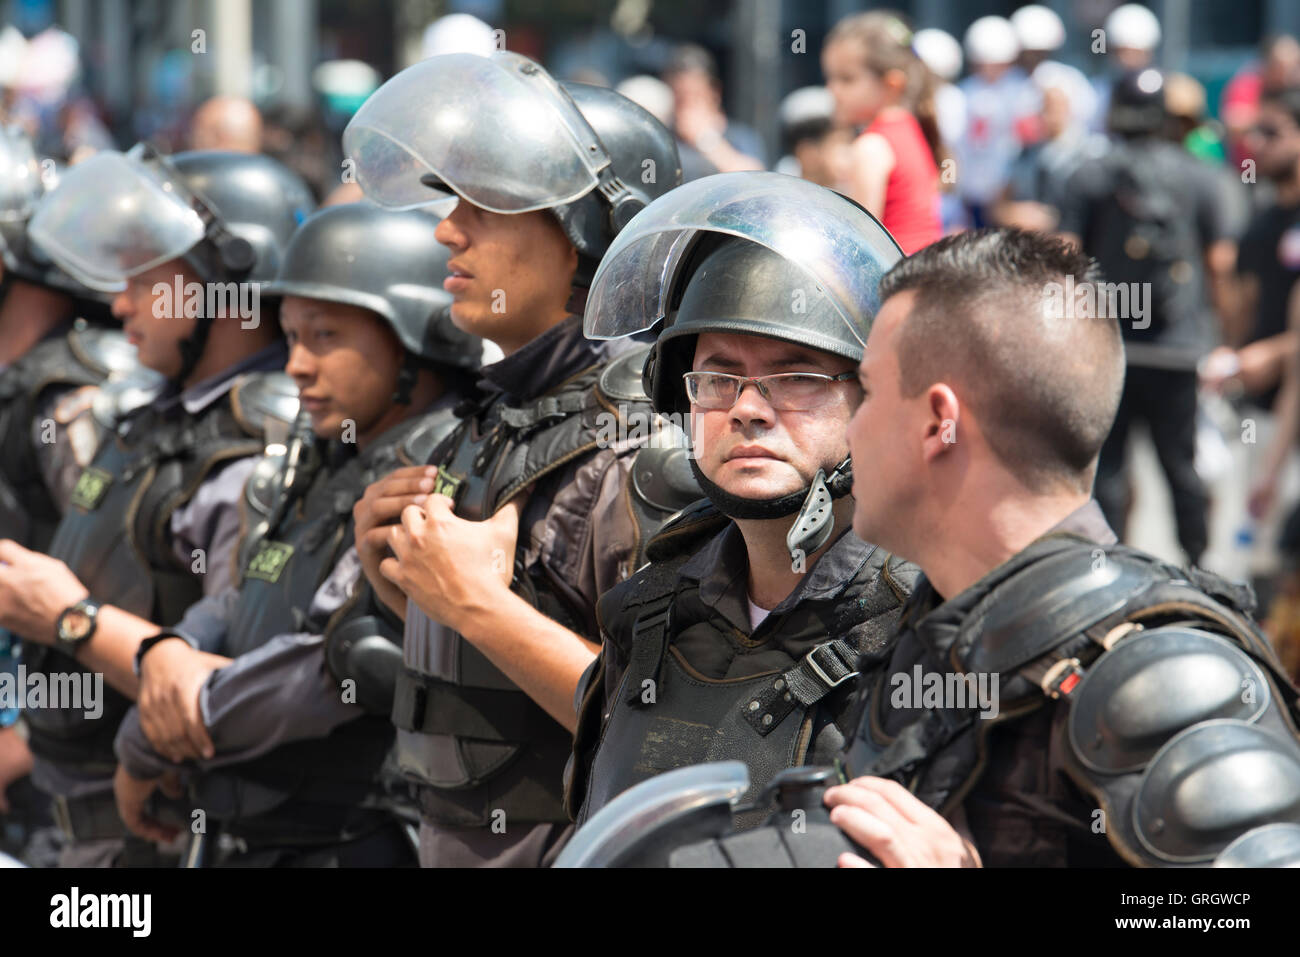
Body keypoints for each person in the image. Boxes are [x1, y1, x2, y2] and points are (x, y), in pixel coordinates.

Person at [568, 228, 1300, 869]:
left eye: (872, 391)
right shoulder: (932, 635)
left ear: (938, 423)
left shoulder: (1163, 671)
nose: (853, 430)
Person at [342, 50, 697, 866]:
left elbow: (671, 723)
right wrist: (405, 587)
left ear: (590, 236)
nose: (445, 228)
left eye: (488, 201)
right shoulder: (495, 411)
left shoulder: (648, 441)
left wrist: (470, 602)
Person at [110, 202, 484, 866]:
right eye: (291, 337)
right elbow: (244, 590)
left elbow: (331, 664)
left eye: (326, 336)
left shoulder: (438, 469)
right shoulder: (324, 454)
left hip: (353, 839)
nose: (297, 365)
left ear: (413, 339)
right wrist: (172, 652)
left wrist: (157, 727)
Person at [566, 171, 919, 824]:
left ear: (873, 399)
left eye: (796, 375)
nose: (749, 408)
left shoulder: (926, 625)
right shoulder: (646, 609)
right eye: (720, 375)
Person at [0, 145, 313, 867]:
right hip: (77, 825)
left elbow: (228, 679)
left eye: (147, 274)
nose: (120, 302)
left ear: (220, 283)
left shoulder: (259, 448)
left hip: (161, 838)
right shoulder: (155, 415)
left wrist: (65, 618)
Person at [1058, 68, 1237, 566]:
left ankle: (1110, 570)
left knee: (1108, 469)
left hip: (1109, 349)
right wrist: (1225, 339)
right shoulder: (1202, 177)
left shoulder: (1088, 175)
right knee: (1182, 466)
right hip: (1178, 347)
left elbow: (1067, 260)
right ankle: (1199, 570)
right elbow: (1221, 265)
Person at [822, 11, 942, 254]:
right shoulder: (910, 126)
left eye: (847, 79)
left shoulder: (871, 146)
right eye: (830, 78)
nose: (832, 90)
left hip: (892, 284)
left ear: (891, 84)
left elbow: (860, 247)